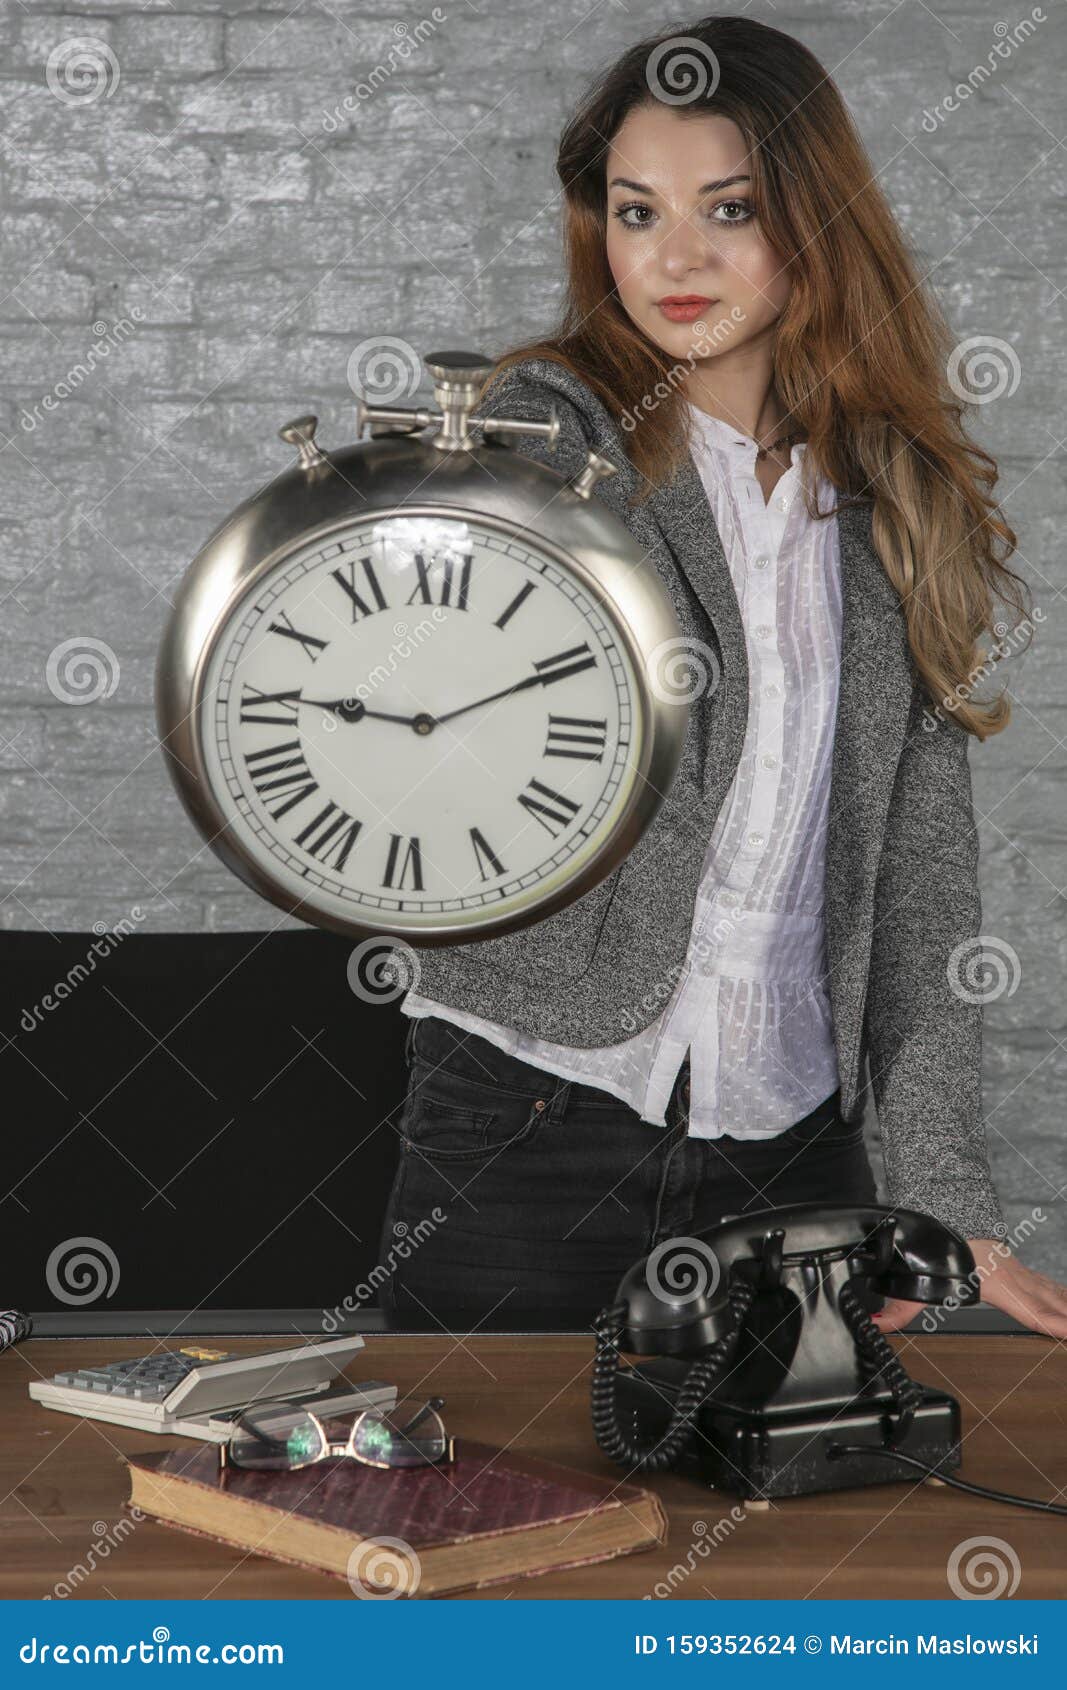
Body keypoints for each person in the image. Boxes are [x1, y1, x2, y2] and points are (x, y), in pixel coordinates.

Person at [377, 14, 1067, 1338]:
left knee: (783, 1530)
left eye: (728, 209)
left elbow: (920, 885)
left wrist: (943, 1196)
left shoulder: (887, 503)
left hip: (794, 1153)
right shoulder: (556, 440)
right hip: (524, 1123)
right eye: (636, 212)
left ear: (813, 219)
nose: (673, 257)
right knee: (487, 1515)